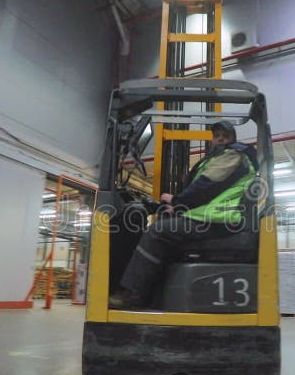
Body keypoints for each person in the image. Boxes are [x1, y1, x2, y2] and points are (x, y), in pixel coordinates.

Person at [109, 120, 258, 309]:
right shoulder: (219, 158)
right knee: (166, 226)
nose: (220, 139)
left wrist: (177, 201)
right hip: (212, 219)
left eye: (225, 136)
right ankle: (156, 294)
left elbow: (206, 186)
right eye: (217, 136)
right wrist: (177, 208)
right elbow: (209, 196)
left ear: (233, 140)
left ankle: (133, 294)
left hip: (220, 222)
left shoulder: (233, 155)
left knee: (157, 232)